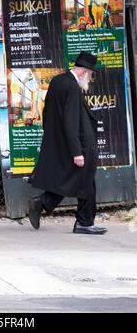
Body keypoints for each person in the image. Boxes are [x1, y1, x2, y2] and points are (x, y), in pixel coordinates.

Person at [28, 51, 108, 235]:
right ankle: (84, 222)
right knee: (86, 182)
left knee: (74, 179)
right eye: (90, 74)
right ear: (84, 71)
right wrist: (76, 151)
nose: (90, 78)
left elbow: (47, 113)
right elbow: (71, 121)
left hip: (65, 142)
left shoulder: (58, 81)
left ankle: (42, 203)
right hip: (80, 144)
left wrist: (55, 139)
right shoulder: (72, 87)